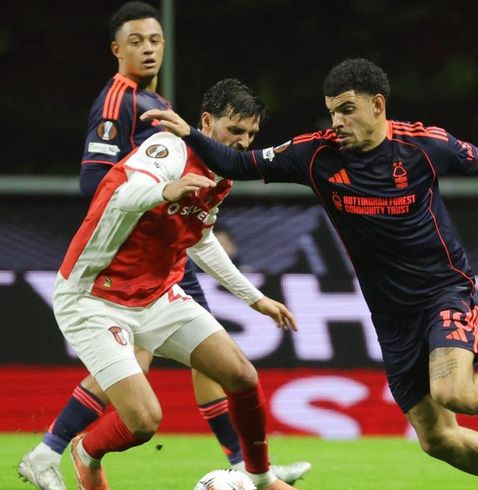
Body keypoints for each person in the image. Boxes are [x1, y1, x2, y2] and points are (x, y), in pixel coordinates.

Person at [142, 58, 478, 490]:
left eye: (347, 110)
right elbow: (236, 163)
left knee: (454, 391)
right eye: (332, 111)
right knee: (438, 440)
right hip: (392, 316)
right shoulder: (315, 155)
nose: (338, 122)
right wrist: (190, 133)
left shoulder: (423, 145)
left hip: (444, 292)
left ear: (378, 105)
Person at [17, 3, 310, 489]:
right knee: (143, 420)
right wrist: (164, 190)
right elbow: (118, 191)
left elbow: (202, 239)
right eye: (234, 131)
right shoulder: (167, 146)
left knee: (241, 375)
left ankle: (257, 478)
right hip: (94, 295)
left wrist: (254, 298)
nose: (241, 144)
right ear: (206, 121)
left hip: (156, 292)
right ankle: (83, 450)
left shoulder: (220, 173)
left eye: (250, 136)